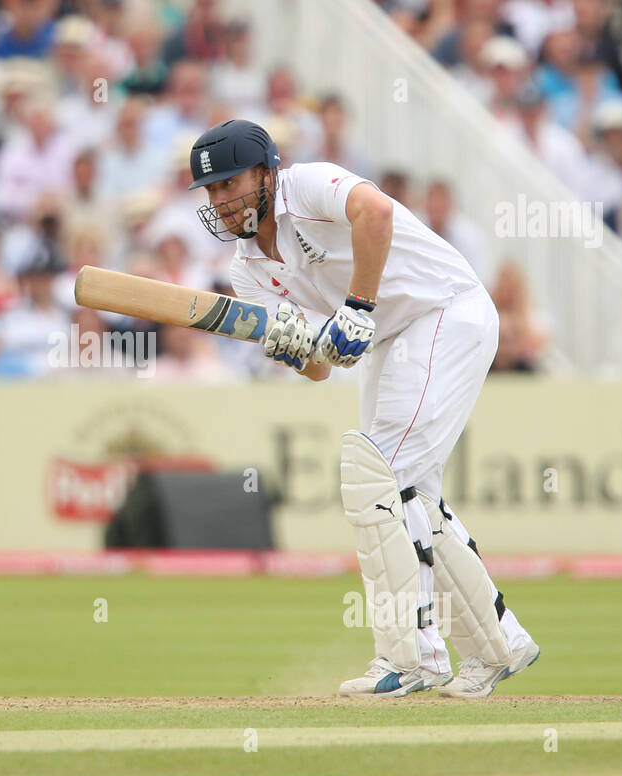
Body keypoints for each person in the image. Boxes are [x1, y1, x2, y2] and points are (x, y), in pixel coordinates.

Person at [188, 118, 540, 698]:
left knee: (379, 480)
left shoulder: (306, 185)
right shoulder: (245, 271)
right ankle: (498, 644)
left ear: (265, 173)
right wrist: (291, 346)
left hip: (444, 310)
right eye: (211, 192)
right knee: (411, 496)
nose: (221, 202)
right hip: (388, 340)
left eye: (230, 185)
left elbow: (375, 214)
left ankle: (414, 657)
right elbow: (321, 365)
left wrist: (356, 307)